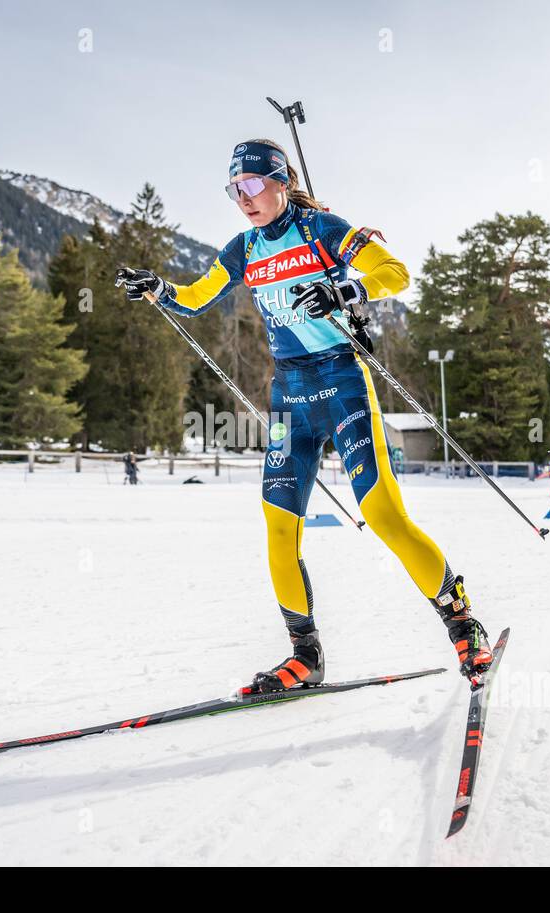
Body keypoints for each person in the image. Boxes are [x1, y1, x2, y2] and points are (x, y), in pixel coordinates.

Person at [117, 139, 493, 691]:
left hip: (342, 381)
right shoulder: (242, 250)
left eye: (250, 186)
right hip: (289, 395)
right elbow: (197, 296)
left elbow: (395, 272)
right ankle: (305, 653)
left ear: (280, 182)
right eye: (233, 190)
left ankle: (463, 624)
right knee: (278, 524)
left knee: (385, 515)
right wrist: (159, 290)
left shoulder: (322, 230)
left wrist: (346, 285)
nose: (242, 199)